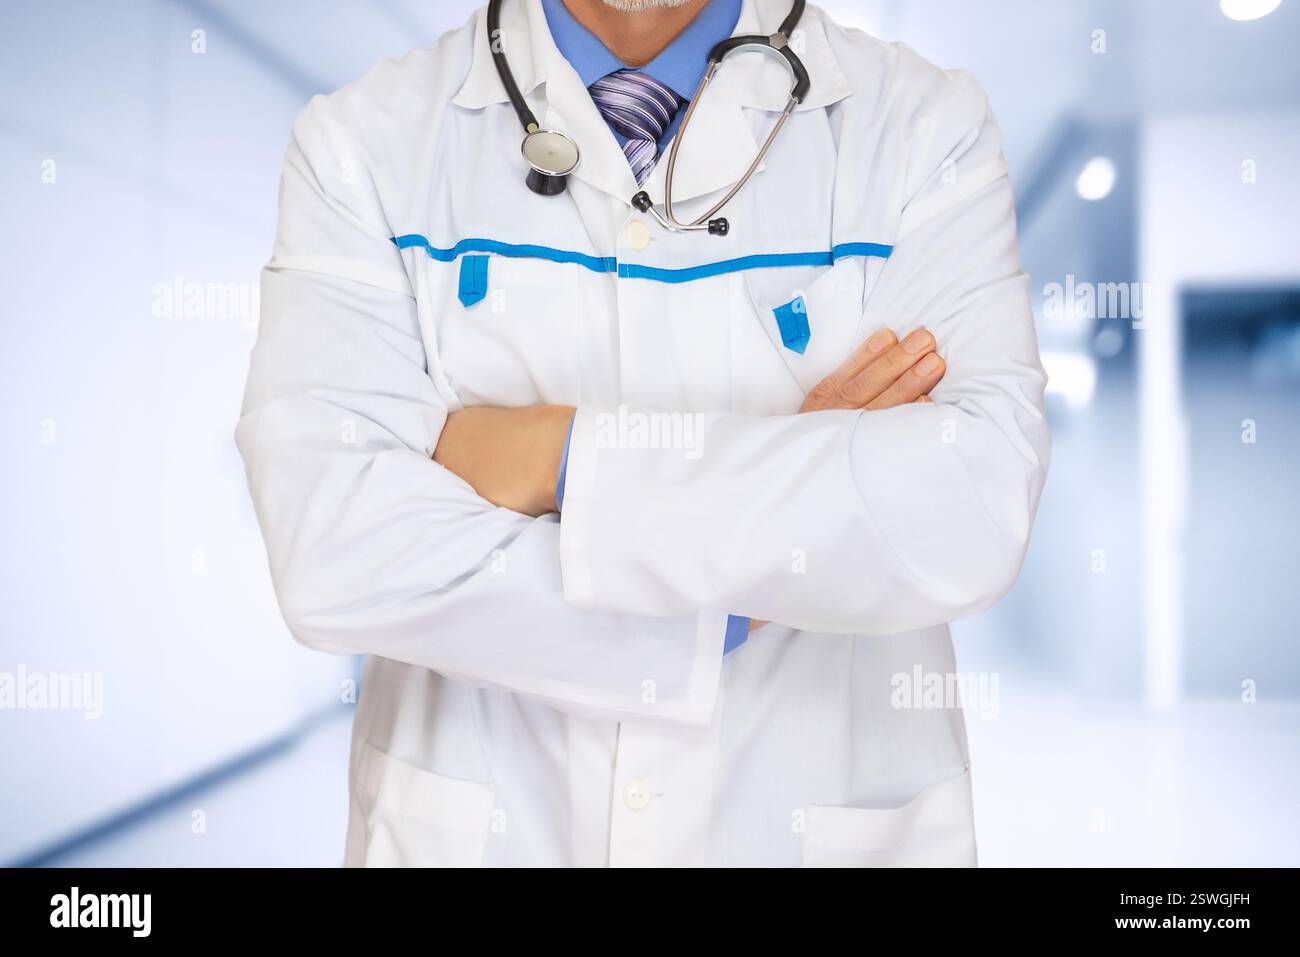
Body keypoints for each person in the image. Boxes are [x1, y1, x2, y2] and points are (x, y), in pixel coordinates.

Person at [236, 0, 1050, 867]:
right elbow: (335, 548)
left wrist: (554, 456)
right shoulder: (361, 144)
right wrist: (774, 536)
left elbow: (968, 504)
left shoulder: (924, 129)